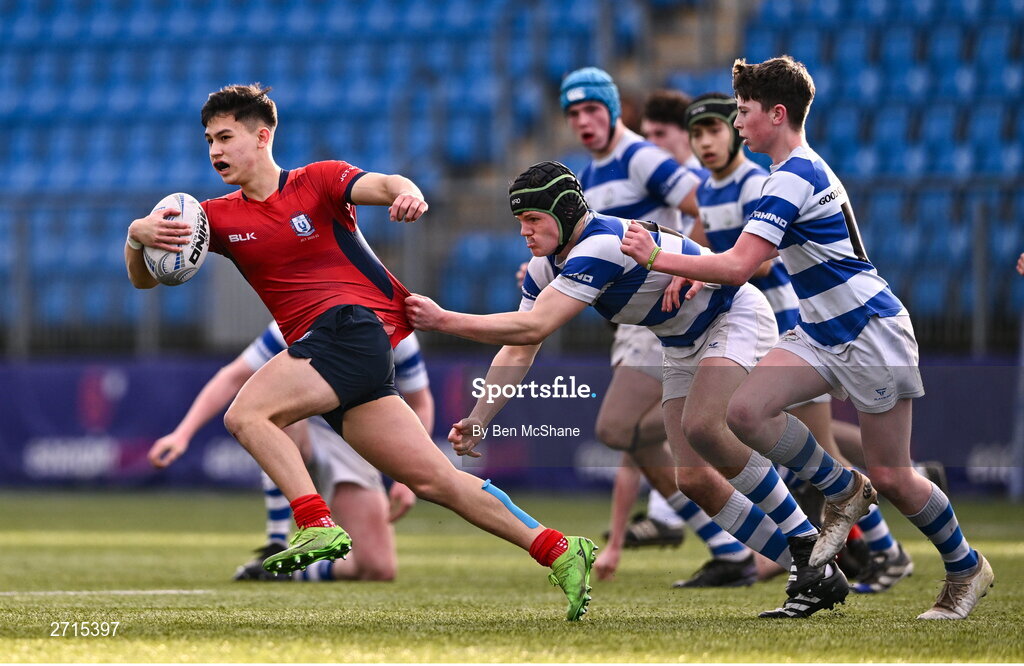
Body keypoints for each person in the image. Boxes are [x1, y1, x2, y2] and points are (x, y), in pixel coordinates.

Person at [124, 83, 595, 621]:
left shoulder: (317, 181)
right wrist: (137, 235)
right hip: (332, 352)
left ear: (263, 136)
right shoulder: (214, 219)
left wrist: (407, 191)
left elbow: (385, 182)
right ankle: (558, 549)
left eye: (226, 137)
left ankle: (315, 522)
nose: (215, 151)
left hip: (351, 328)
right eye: (209, 139)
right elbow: (145, 283)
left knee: (247, 414)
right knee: (435, 480)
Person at [620, 56, 994, 619]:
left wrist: (656, 255)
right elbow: (727, 258)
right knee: (744, 412)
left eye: (744, 113)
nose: (739, 123)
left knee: (894, 474)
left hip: (869, 331)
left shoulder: (794, 175)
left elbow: (739, 266)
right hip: (818, 330)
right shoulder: (784, 173)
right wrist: (679, 260)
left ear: (777, 113)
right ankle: (843, 488)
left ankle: (965, 567)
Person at [407, 160, 851, 619]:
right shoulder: (546, 266)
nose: (524, 232)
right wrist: (480, 417)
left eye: (533, 220)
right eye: (520, 221)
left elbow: (534, 324)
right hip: (679, 342)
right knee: (694, 479)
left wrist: (444, 320)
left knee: (704, 427)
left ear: (562, 213)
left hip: (731, 314)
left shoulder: (599, 244)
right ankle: (815, 571)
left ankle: (809, 541)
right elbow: (521, 349)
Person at [561, 67, 761, 588]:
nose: (583, 121)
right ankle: (734, 545)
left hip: (665, 312)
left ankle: (758, 540)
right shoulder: (590, 173)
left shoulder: (638, 156)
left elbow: (706, 201)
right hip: (640, 316)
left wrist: (687, 264)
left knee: (624, 427)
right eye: (573, 113)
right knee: (637, 432)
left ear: (612, 110)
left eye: (591, 110)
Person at [148, 322, 432, 582]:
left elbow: (421, 402)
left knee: (377, 568)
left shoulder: (394, 330)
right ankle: (277, 541)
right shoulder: (300, 316)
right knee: (270, 413)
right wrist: (183, 433)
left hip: (351, 436)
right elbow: (233, 377)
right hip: (307, 424)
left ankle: (288, 573)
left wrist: (407, 479)